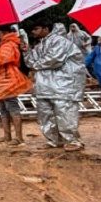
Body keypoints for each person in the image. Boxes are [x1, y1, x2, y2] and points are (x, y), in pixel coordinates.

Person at [24, 19, 86, 151]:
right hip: (44, 86)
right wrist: (26, 51)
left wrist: (36, 65)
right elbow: (30, 62)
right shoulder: (40, 45)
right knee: (46, 114)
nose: (33, 32)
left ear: (46, 28)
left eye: (36, 29)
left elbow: (54, 60)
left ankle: (73, 141)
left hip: (63, 85)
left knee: (65, 113)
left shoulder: (60, 41)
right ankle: (53, 140)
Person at [0, 24, 32, 146]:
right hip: (1, 80)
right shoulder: (4, 45)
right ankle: (7, 136)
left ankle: (19, 138)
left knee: (12, 108)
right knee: (3, 109)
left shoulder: (9, 44)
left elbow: (1, 59)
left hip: (8, 80)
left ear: (3, 32)